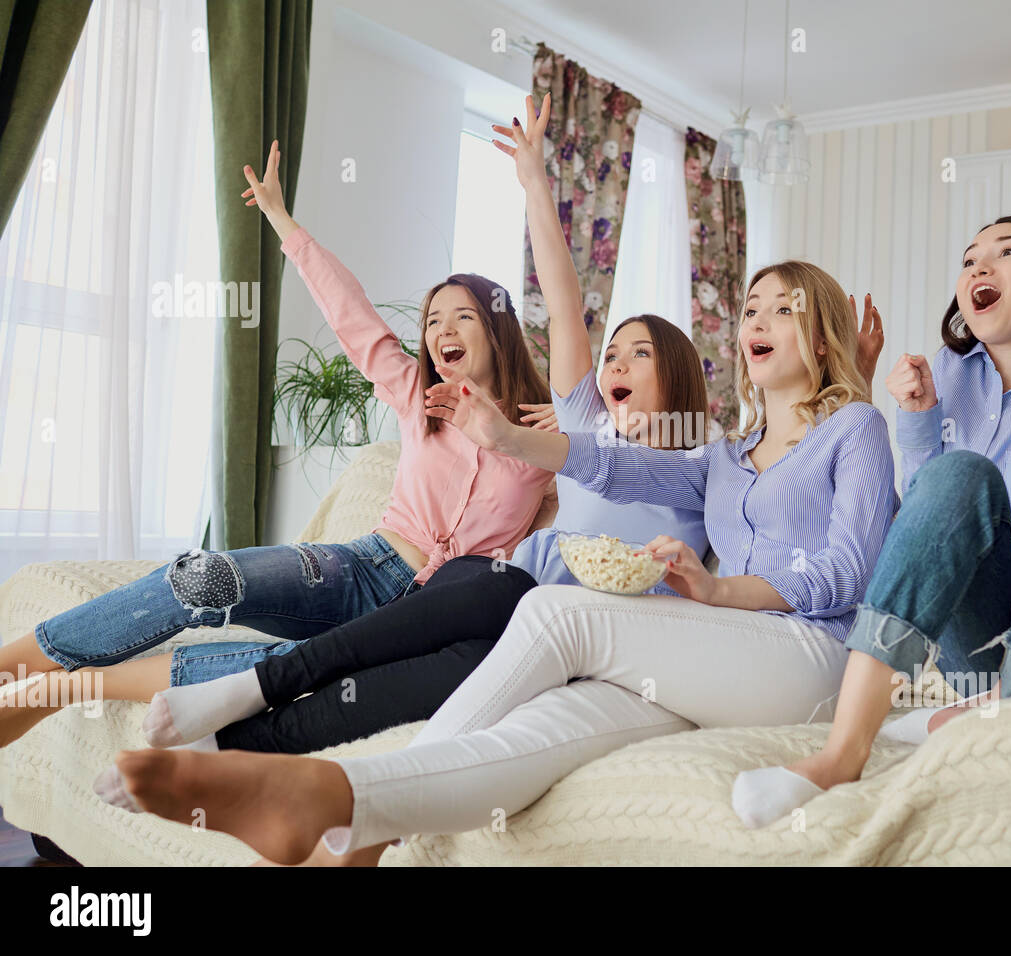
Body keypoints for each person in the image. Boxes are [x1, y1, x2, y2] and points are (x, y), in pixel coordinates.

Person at [104, 250, 898, 866]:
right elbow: (614, 463)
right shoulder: (725, 454)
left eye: (779, 309)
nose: (754, 317)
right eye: (749, 305)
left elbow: (847, 575)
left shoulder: (854, 428)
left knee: (554, 610)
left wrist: (719, 589)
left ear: (821, 336)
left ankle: (290, 750)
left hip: (814, 659)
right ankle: (344, 815)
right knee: (537, 733)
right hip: (714, 667)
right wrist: (510, 438)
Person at [89, 92, 714, 758]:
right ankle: (239, 692)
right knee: (454, 597)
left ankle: (229, 745)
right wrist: (535, 180)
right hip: (506, 589)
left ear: (676, 372)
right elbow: (562, 301)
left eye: (637, 354)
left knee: (430, 674)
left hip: (560, 633)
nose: (612, 362)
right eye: (610, 351)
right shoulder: (581, 428)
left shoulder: (710, 472)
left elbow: (760, 546)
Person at [0, 140, 557, 746]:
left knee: (298, 670)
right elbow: (355, 318)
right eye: (433, 320)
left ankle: (71, 688)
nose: (442, 330)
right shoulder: (415, 392)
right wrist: (284, 224)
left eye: (464, 317)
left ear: (498, 329)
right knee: (203, 577)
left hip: (427, 618)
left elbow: (585, 508)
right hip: (362, 567)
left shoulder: (543, 438)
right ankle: (19, 664)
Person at [731, 215, 1011, 829]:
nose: (979, 267)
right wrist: (917, 421)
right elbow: (922, 528)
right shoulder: (948, 374)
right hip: (985, 636)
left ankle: (990, 707)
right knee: (957, 474)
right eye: (970, 259)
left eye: (1006, 252)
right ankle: (844, 751)